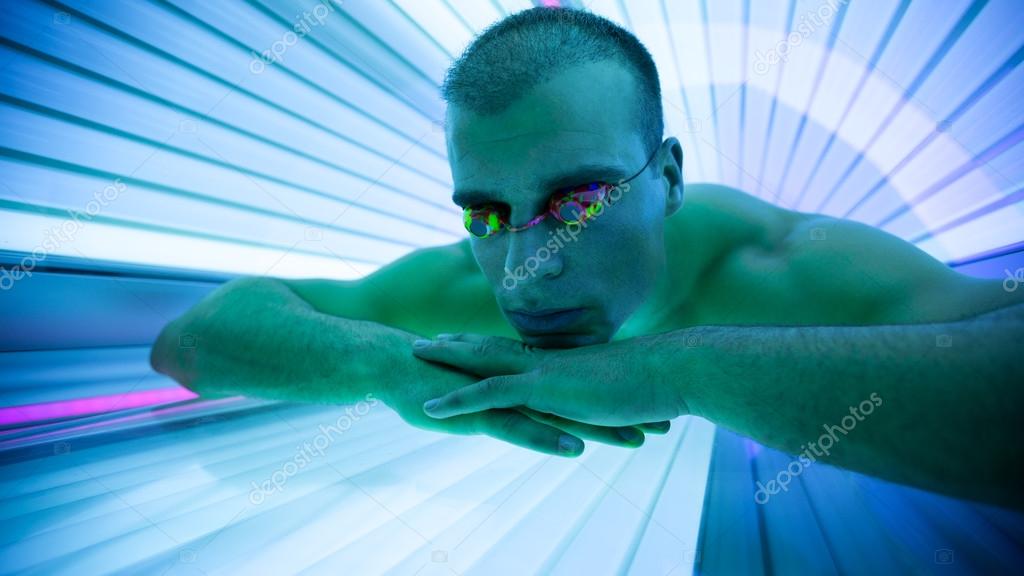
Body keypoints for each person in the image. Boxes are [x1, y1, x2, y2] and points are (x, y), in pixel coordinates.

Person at [150, 7, 1024, 510]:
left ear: (668, 178)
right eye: (488, 212)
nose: (529, 267)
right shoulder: (461, 283)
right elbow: (192, 340)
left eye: (579, 204)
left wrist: (679, 371)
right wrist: (381, 366)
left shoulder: (784, 269)